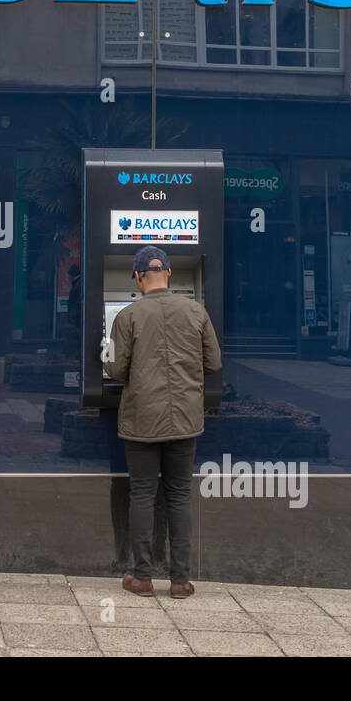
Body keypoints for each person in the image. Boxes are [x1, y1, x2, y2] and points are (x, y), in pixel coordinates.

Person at [103, 245, 222, 599]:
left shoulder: (127, 316)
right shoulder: (196, 311)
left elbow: (116, 369)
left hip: (142, 419)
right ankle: (180, 581)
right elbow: (213, 362)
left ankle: (141, 577)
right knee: (179, 495)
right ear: (168, 273)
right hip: (184, 419)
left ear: (138, 278)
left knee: (142, 494)